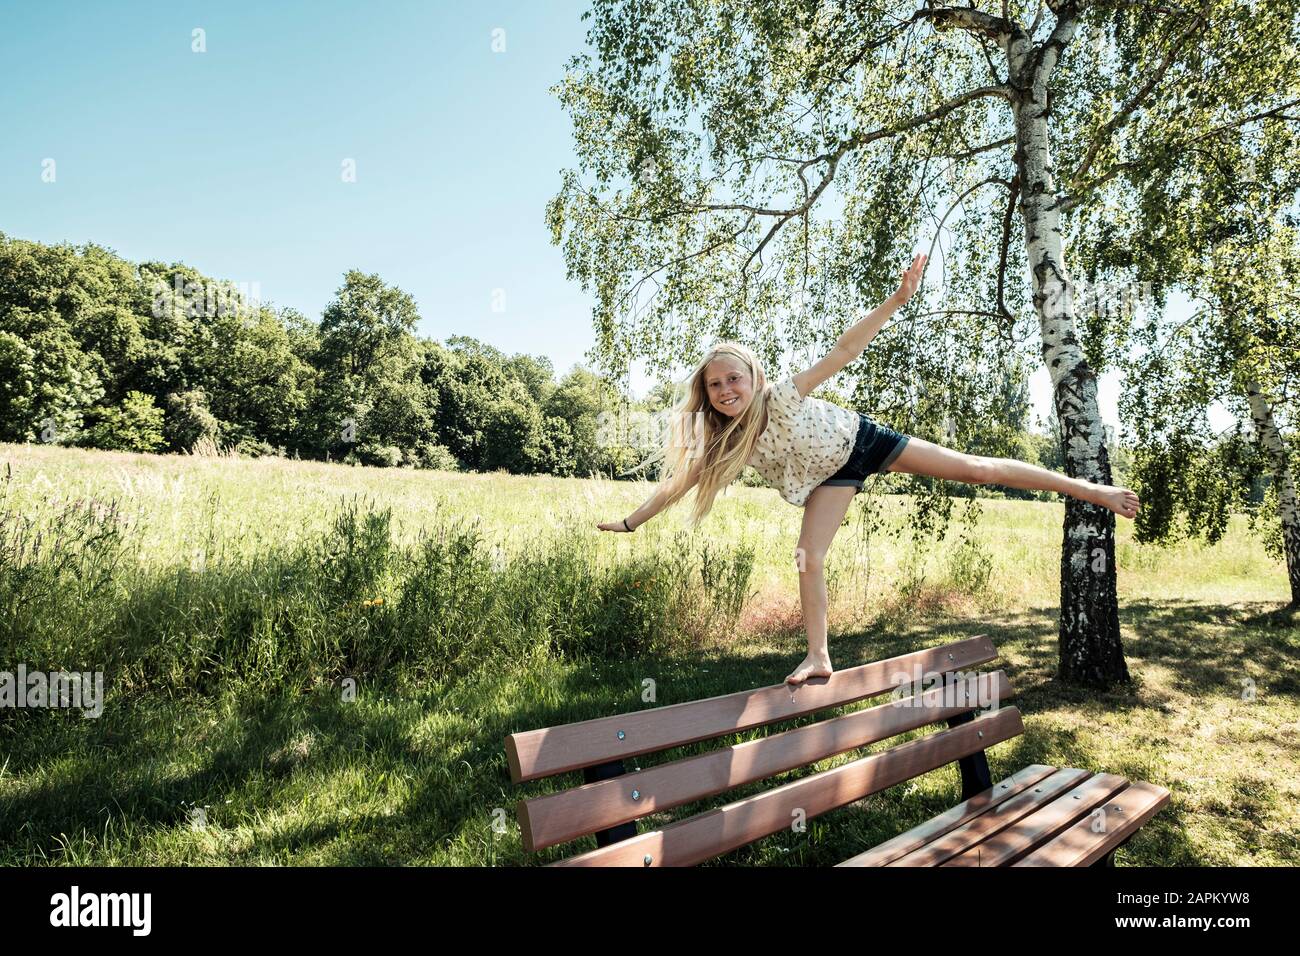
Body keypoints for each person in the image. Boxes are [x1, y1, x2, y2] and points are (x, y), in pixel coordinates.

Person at [598, 253, 1140, 684]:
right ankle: (818, 656)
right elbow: (679, 483)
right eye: (715, 385)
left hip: (863, 441)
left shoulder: (781, 396)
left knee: (976, 470)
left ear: (753, 377)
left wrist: (897, 300)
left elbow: (843, 350)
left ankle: (1087, 487)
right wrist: (631, 521)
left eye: (734, 379)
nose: (725, 391)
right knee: (809, 557)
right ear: (707, 393)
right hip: (827, 480)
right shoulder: (722, 441)